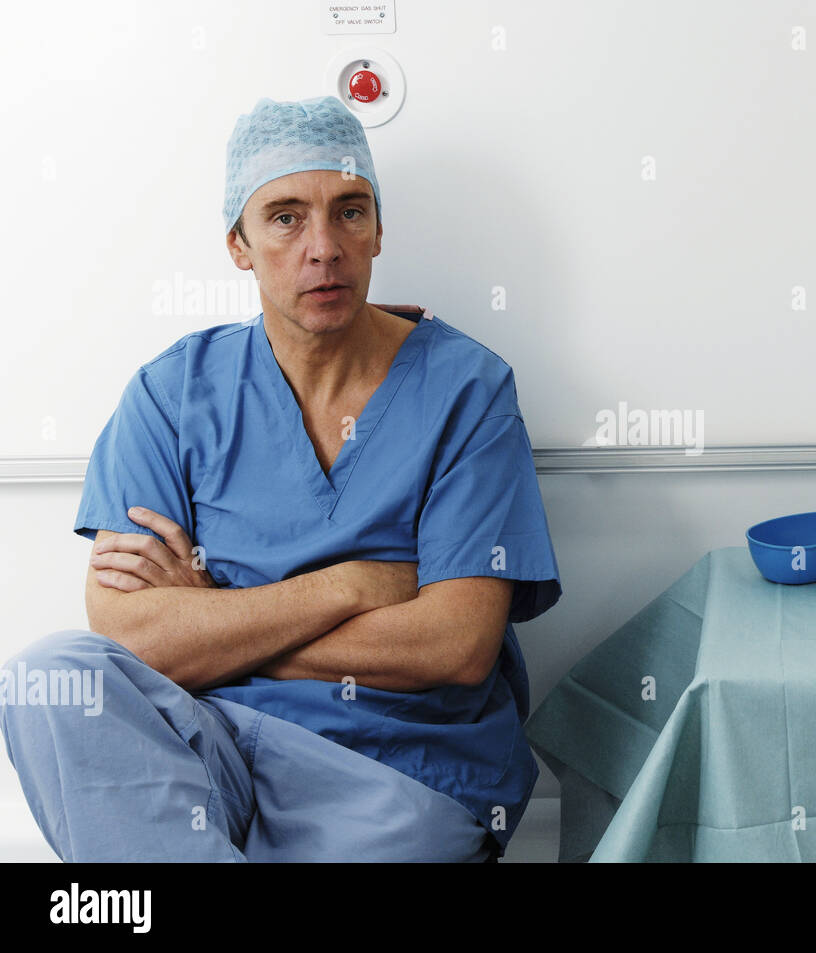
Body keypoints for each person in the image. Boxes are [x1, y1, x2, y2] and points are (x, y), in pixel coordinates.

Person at [0, 95, 561, 862]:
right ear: (239, 244)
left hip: (395, 769)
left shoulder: (467, 390)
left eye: (350, 212)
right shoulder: (173, 394)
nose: (323, 247)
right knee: (50, 675)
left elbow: (454, 644)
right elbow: (133, 632)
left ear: (378, 231)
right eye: (286, 217)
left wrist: (215, 622)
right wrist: (350, 586)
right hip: (215, 745)